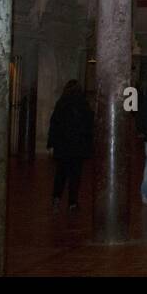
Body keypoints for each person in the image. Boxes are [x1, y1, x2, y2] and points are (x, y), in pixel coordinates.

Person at [47, 80, 93, 211]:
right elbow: (88, 125)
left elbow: (54, 123)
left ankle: (56, 198)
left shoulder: (61, 103)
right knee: (75, 176)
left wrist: (51, 142)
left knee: (60, 173)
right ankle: (72, 202)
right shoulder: (83, 104)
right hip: (77, 146)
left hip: (63, 145)